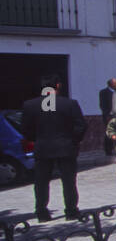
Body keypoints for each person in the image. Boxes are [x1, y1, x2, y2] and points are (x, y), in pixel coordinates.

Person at [22, 74, 87, 222]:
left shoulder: (30, 105)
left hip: (42, 147)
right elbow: (81, 126)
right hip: (65, 147)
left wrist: (37, 139)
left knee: (41, 182)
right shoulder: (69, 104)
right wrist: (73, 140)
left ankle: (41, 212)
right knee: (69, 181)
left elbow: (25, 129)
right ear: (57, 85)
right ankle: (71, 211)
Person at [98, 77, 116, 156]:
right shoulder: (104, 92)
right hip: (109, 116)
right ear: (111, 84)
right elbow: (102, 105)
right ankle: (108, 149)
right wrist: (107, 114)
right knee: (109, 133)